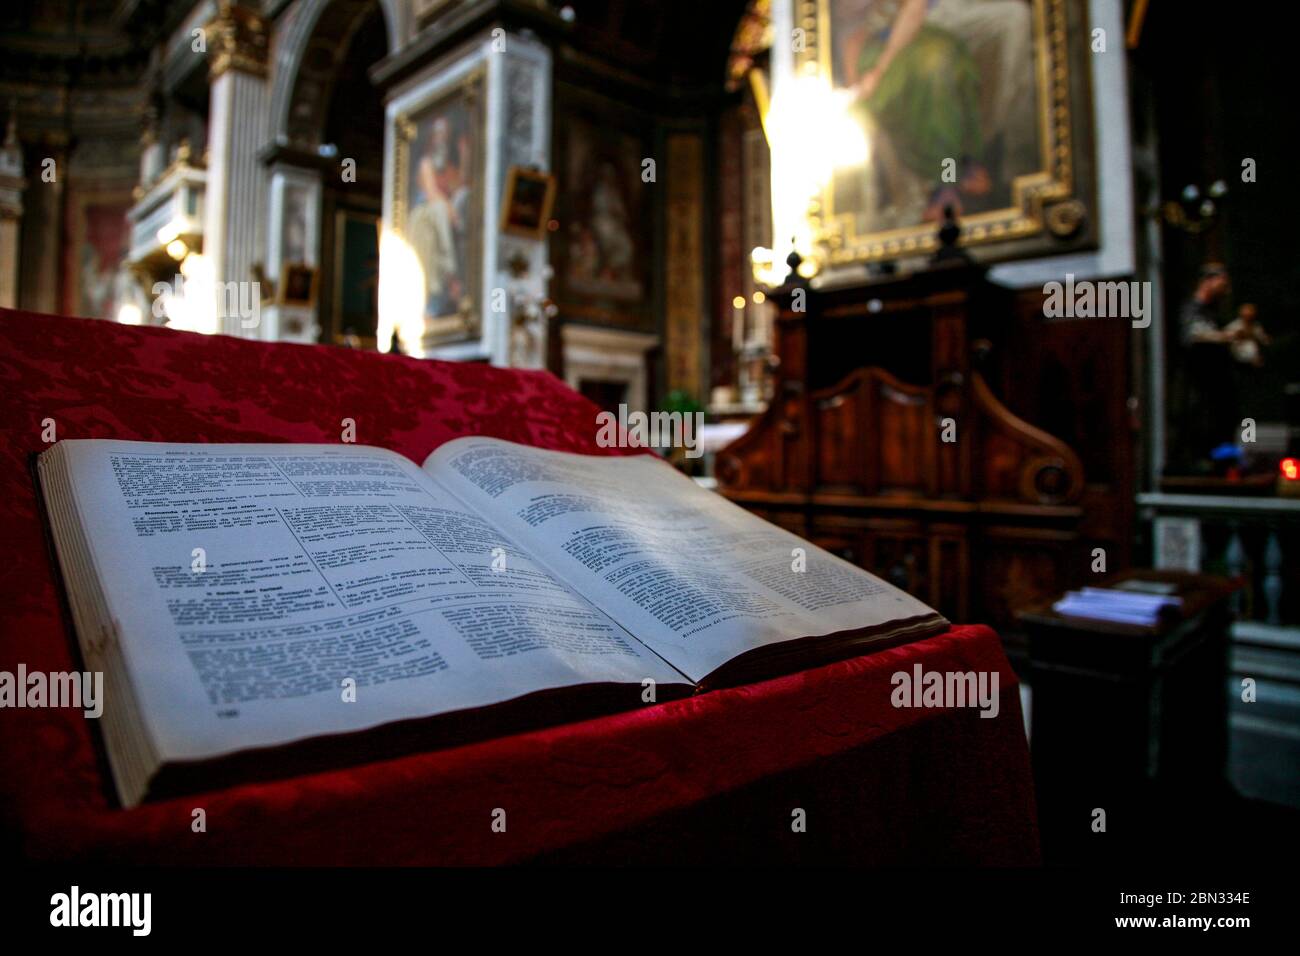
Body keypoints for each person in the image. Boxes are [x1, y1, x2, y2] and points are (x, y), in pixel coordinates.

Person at [1176, 263, 1243, 467]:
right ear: (1208, 281)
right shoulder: (1192, 309)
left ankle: (1223, 462)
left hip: (1217, 391)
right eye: (1222, 284)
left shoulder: (1214, 314)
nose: (1225, 291)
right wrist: (1225, 336)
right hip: (1199, 389)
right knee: (1202, 428)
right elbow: (1193, 335)